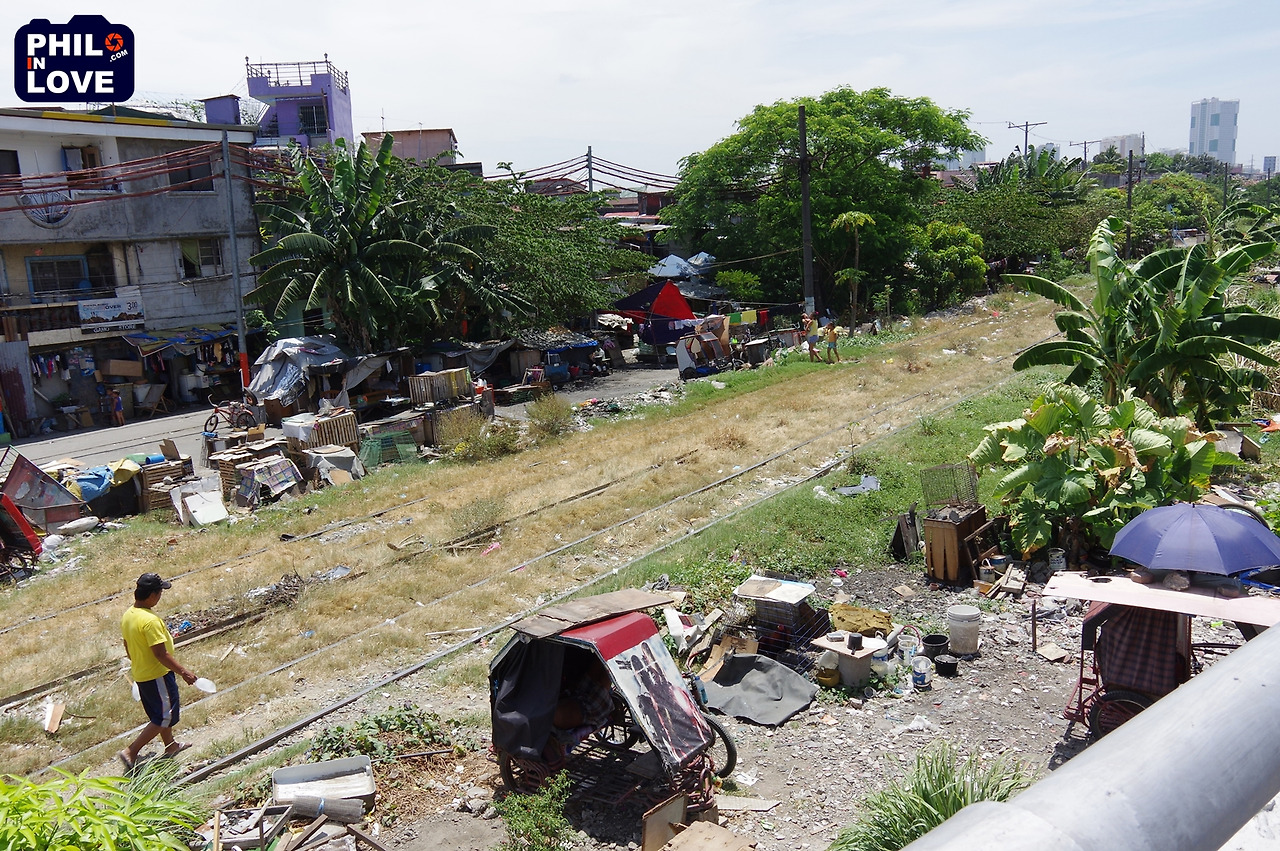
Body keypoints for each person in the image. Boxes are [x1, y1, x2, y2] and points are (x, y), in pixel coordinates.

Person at [119, 573, 198, 771]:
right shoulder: (150, 621)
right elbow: (161, 654)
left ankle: (170, 746)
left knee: (162, 713)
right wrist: (184, 672)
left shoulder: (129, 615)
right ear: (152, 595)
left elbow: (127, 647)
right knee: (164, 716)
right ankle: (131, 751)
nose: (161, 595)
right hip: (157, 675)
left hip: (142, 674)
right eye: (160, 591)